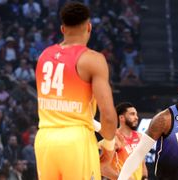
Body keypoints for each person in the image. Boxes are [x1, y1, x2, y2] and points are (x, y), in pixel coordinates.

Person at [34, 2, 117, 180]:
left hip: (44, 138)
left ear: (62, 29)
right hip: (76, 139)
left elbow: (62, 106)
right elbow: (109, 116)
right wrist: (109, 147)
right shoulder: (92, 59)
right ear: (89, 27)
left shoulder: (43, 56)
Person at [101, 102, 148, 180]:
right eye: (132, 114)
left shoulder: (140, 137)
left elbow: (142, 163)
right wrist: (122, 178)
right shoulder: (113, 138)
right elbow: (102, 167)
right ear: (121, 118)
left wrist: (145, 177)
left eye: (136, 114)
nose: (136, 117)